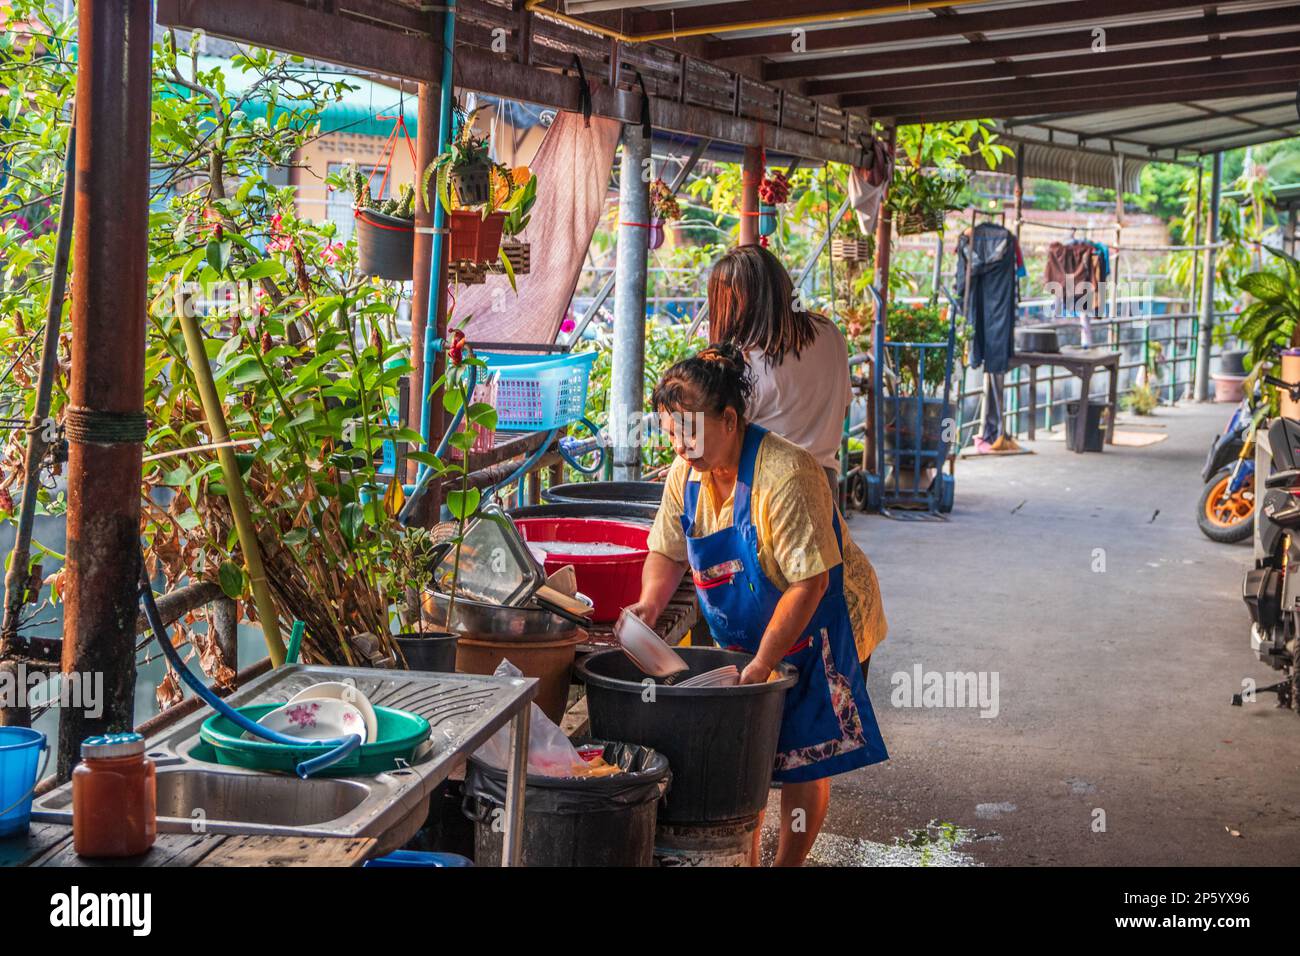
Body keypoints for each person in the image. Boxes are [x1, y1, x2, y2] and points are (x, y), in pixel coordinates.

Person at [628, 344, 888, 867]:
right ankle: (746, 859)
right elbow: (667, 549)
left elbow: (808, 585)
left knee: (803, 757)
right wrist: (649, 606)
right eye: (672, 434)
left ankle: (786, 863)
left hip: (823, 625)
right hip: (749, 636)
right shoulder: (686, 474)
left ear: (730, 419)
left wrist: (763, 664)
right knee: (748, 758)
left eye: (692, 434)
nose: (681, 448)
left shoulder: (786, 474)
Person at [707, 245, 853, 501]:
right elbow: (845, 408)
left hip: (768, 490)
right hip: (825, 484)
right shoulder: (830, 333)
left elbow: (722, 440)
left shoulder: (746, 361)